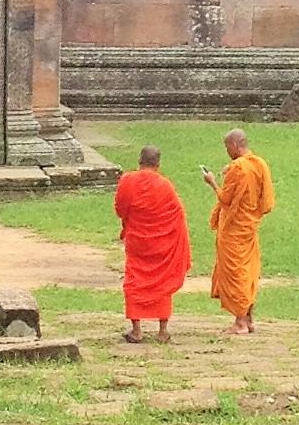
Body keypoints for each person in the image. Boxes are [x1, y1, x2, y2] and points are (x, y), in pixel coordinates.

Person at [112, 145, 191, 343]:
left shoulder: (128, 180)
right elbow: (177, 214)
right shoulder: (165, 186)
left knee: (135, 279)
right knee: (162, 282)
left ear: (140, 160)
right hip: (162, 243)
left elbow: (120, 208)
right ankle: (162, 330)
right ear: (158, 164)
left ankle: (136, 330)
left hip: (138, 240)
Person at [202, 129, 275, 334]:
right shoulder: (259, 164)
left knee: (237, 273)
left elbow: (225, 199)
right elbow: (267, 202)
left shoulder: (239, 168)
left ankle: (241, 322)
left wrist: (212, 182)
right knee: (248, 271)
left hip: (235, 229)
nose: (227, 152)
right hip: (249, 226)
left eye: (227, 148)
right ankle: (249, 318)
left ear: (234, 145)